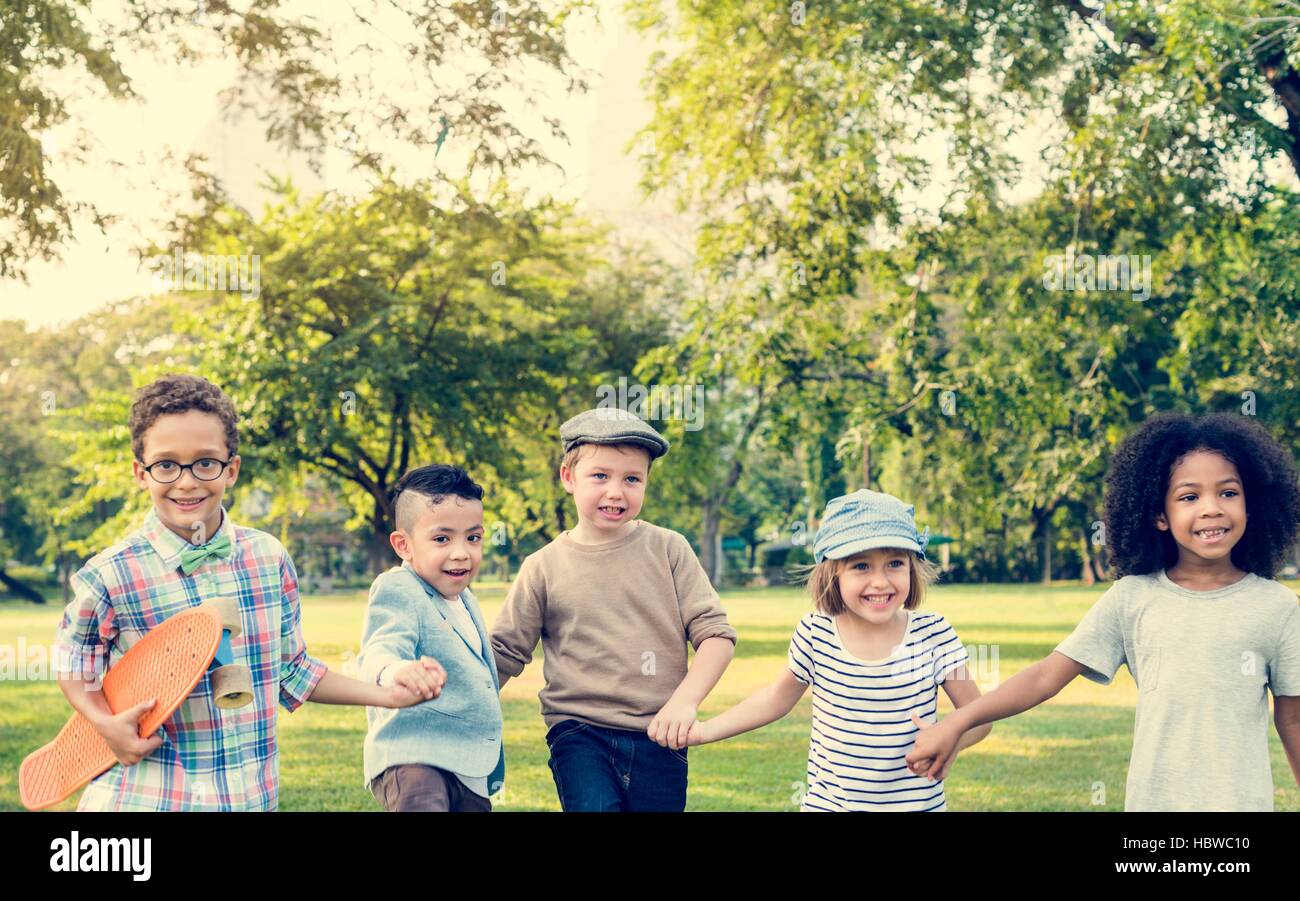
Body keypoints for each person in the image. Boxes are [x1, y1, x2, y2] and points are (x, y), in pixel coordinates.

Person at [53, 373, 434, 810]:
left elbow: (291, 671)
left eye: (205, 462)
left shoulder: (268, 558)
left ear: (231, 468)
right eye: (166, 465)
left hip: (248, 798)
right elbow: (73, 662)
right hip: (147, 798)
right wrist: (104, 724)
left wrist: (387, 694)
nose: (187, 481)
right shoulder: (111, 574)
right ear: (141, 473)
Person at [907, 412, 1300, 811]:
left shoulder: (1277, 608)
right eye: (1189, 496)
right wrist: (958, 721)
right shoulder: (1132, 598)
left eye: (1229, 493)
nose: (1212, 508)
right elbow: (1045, 677)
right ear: (1159, 516)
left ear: (1253, 505)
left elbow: (1294, 721)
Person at [490, 407, 737, 811]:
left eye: (632, 479)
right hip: (578, 732)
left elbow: (716, 636)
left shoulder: (669, 549)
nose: (615, 491)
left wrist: (684, 702)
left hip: (661, 733)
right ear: (568, 478)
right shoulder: (542, 567)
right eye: (600, 476)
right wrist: (450, 703)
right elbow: (502, 653)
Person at [688, 488, 990, 811]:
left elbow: (979, 717)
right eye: (861, 566)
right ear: (833, 573)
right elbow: (773, 700)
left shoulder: (934, 634)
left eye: (894, 563)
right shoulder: (816, 633)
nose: (880, 582)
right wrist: (706, 730)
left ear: (912, 568)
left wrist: (949, 738)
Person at [359, 464, 505, 812]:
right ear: (403, 545)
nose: (461, 552)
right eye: (442, 539)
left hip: (468, 763)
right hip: (414, 755)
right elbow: (382, 645)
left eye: (473, 537)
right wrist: (395, 671)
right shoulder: (399, 587)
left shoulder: (466, 600)